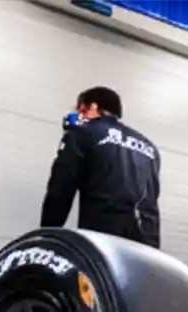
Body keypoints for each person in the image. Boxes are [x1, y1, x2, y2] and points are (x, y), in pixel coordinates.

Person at [40, 86, 162, 248]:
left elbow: (61, 187)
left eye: (80, 110)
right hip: (147, 244)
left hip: (103, 240)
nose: (78, 116)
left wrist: (47, 234)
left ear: (93, 106)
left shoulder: (83, 132)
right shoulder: (150, 148)